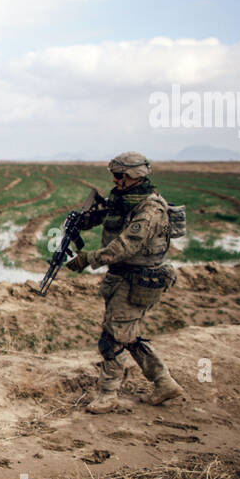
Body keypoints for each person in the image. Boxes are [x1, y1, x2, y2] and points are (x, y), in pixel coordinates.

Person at [66, 152, 184, 413]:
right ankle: (164, 382)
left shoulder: (150, 209)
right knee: (127, 335)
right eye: (114, 176)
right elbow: (107, 216)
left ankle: (108, 395)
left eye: (120, 176)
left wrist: (88, 258)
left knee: (112, 338)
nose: (115, 181)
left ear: (134, 176)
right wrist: (83, 221)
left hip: (138, 280)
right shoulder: (124, 200)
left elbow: (126, 246)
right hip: (121, 277)